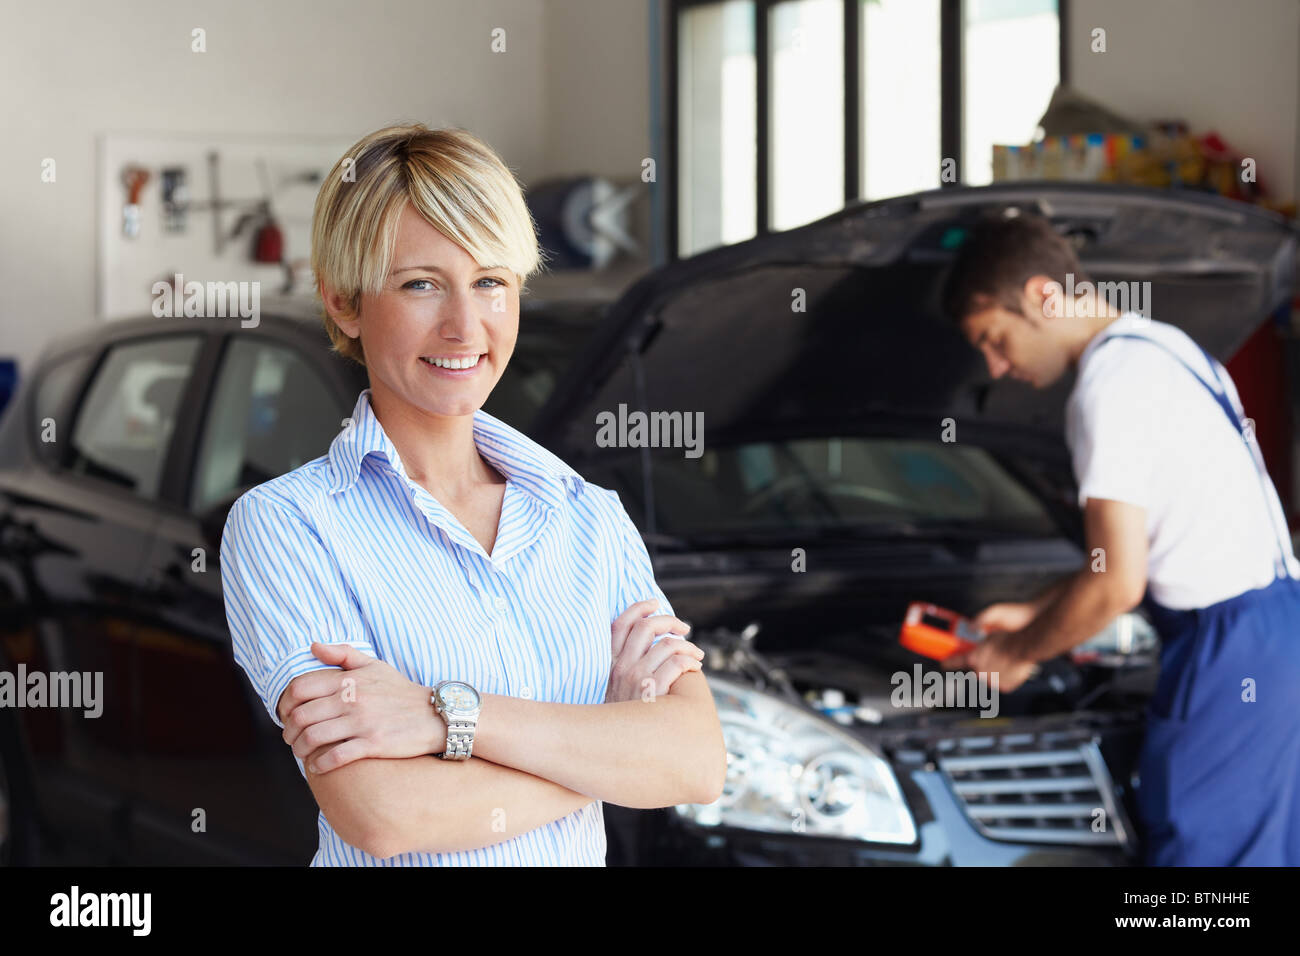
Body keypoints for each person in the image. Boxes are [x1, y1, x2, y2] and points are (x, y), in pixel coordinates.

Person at [219, 123, 726, 865]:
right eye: (421, 284)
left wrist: (443, 717)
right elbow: (386, 814)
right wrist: (606, 757)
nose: (465, 326)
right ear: (344, 303)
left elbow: (696, 763)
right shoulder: (288, 527)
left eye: (491, 281)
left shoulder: (588, 517)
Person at [937, 213, 1300, 866]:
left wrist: (1019, 650)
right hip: (1273, 631)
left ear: (1045, 296)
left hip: (1228, 647)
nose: (996, 364)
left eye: (996, 339)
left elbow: (1117, 582)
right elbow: (1155, 545)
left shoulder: (1109, 386)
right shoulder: (1164, 346)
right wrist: (1036, 610)